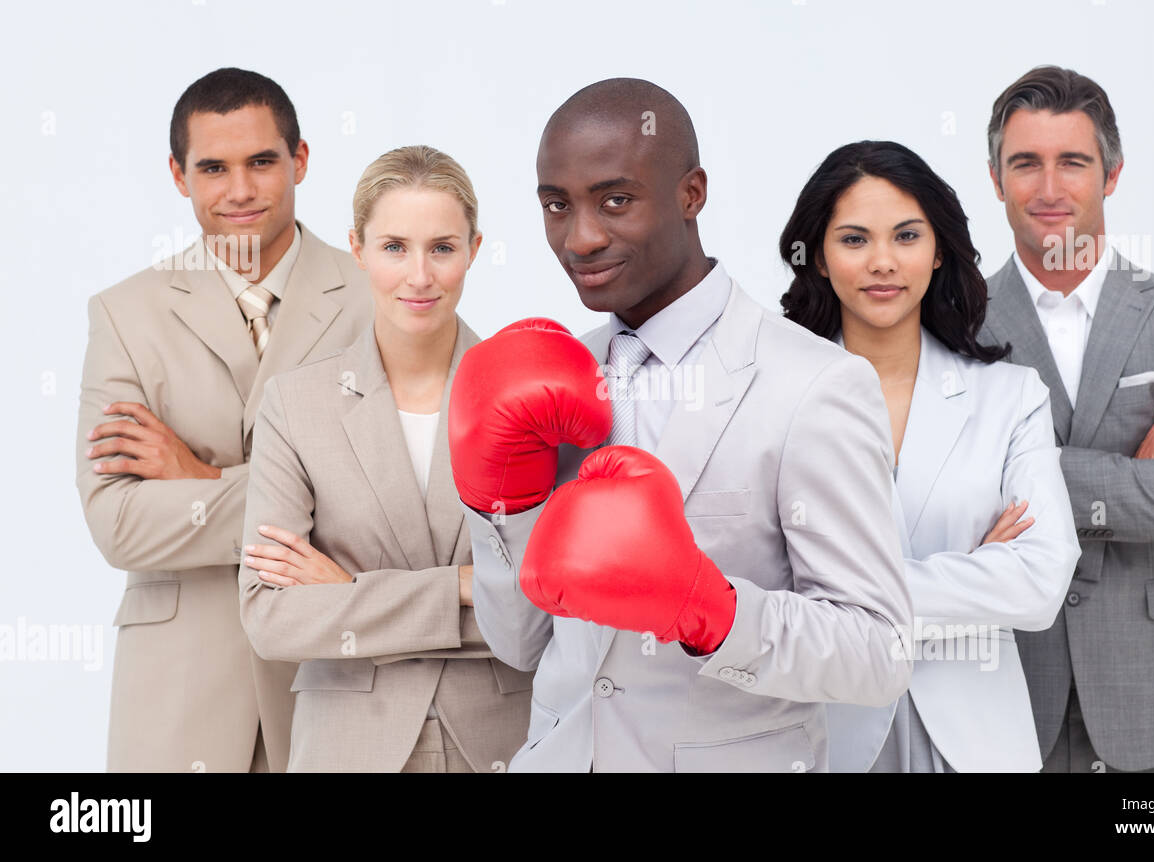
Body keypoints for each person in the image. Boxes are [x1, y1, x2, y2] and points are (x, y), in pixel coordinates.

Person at [447, 78, 912, 773]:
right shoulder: (554, 376)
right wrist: (500, 510)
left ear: (691, 194)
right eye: (556, 205)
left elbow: (878, 656)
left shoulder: (813, 385)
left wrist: (713, 613)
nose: (581, 237)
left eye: (615, 200)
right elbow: (520, 644)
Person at [76, 68, 373, 772]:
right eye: (213, 168)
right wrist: (298, 489)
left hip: (337, 680)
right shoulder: (125, 313)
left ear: (299, 161)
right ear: (179, 176)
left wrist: (200, 476)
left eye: (262, 162)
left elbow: (402, 497)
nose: (239, 191)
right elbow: (117, 524)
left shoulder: (379, 295)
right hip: (176, 698)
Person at [979, 65, 1154, 772]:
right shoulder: (955, 325)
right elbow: (937, 494)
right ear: (994, 177)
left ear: (1112, 174)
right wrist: (1138, 474)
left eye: (1072, 162)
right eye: (1025, 164)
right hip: (999, 703)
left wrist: (1026, 479)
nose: (1048, 189)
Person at [779, 140, 1079, 771]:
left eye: (907, 237)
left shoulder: (1011, 397)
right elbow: (758, 584)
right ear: (820, 258)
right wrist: (973, 574)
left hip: (975, 739)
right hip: (826, 734)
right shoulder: (773, 400)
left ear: (938, 250)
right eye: (854, 239)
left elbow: (1040, 583)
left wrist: (846, 600)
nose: (883, 262)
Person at [237, 146, 532, 772]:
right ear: (358, 248)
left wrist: (348, 593)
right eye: (394, 247)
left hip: (504, 744)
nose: (419, 276)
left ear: (474, 250)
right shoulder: (295, 404)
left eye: (443, 248)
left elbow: (546, 611)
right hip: (349, 748)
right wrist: (460, 587)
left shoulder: (530, 397)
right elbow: (271, 619)